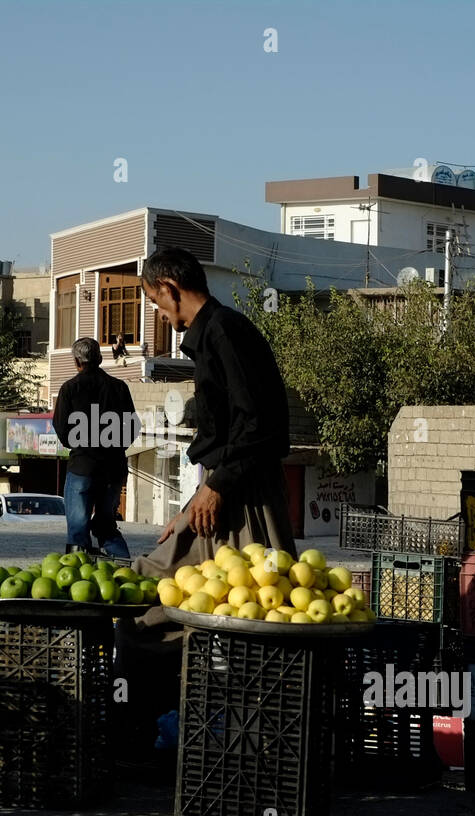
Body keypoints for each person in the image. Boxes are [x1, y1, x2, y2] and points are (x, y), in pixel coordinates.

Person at [114, 247, 298, 765]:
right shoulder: (211, 336)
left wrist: (218, 487)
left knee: (262, 625)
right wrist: (196, 499)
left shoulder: (226, 333)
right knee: (142, 610)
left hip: (245, 498)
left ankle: (263, 755)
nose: (157, 311)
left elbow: (261, 426)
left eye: (154, 300)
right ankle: (153, 737)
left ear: (170, 287)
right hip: (217, 491)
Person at [52, 337, 136, 559]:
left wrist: (82, 445)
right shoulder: (120, 388)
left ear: (77, 362)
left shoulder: (70, 389)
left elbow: (61, 429)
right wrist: (115, 447)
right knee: (106, 526)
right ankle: (123, 570)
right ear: (99, 358)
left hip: (82, 468)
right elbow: (132, 427)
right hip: (114, 470)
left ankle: (81, 579)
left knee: (77, 531)